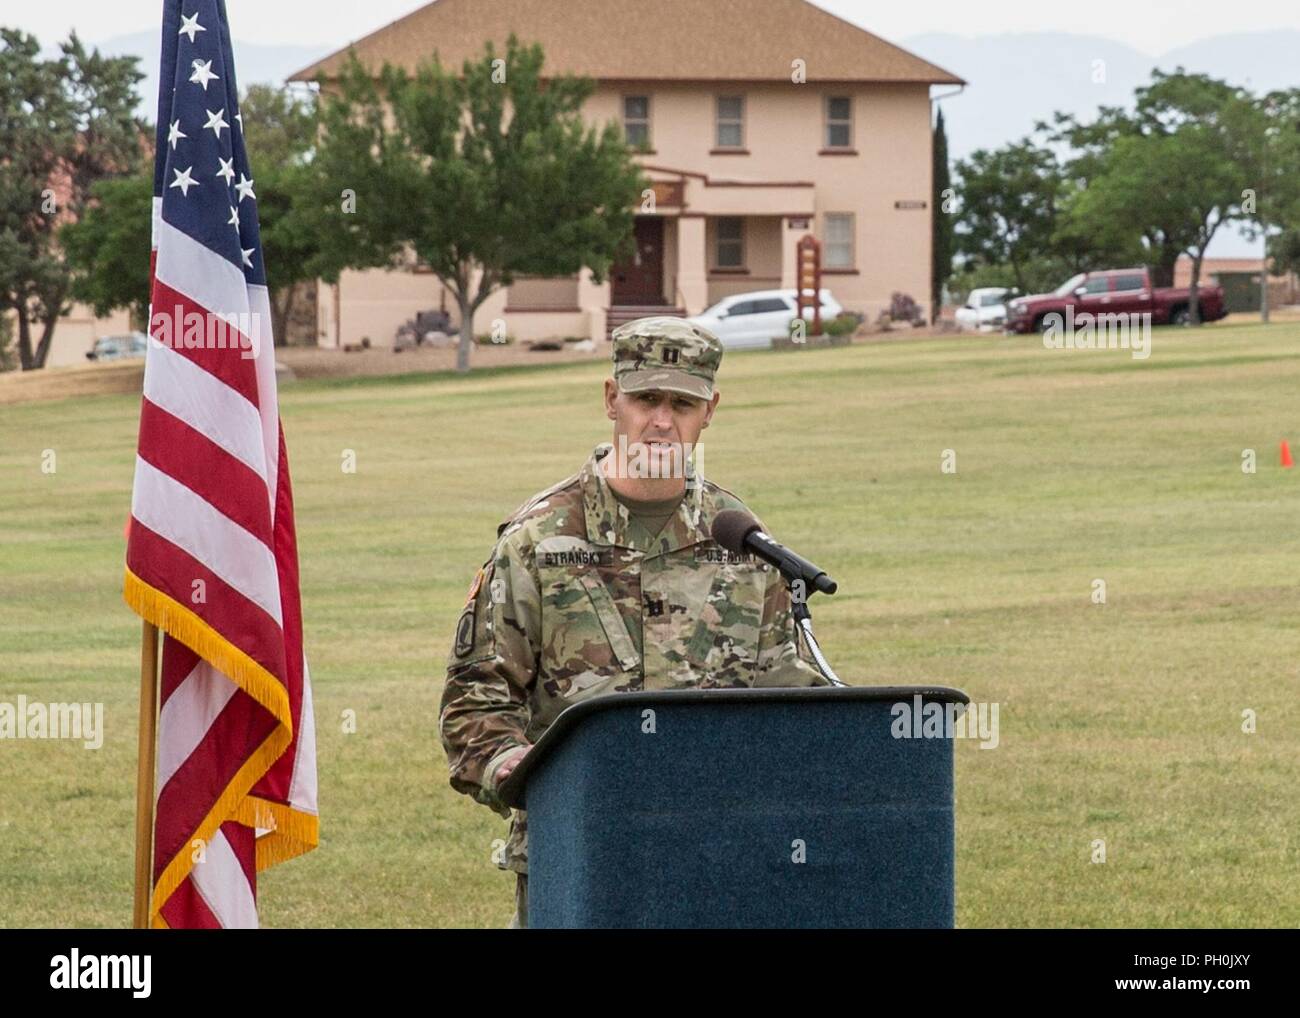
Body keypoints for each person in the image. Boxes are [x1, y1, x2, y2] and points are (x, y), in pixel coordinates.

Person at [438, 316, 829, 928]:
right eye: (646, 398)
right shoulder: (539, 539)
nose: (663, 420)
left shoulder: (743, 540)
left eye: (683, 403)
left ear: (711, 411)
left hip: (720, 858)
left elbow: (787, 697)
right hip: (578, 857)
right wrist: (516, 769)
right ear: (611, 401)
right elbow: (474, 702)